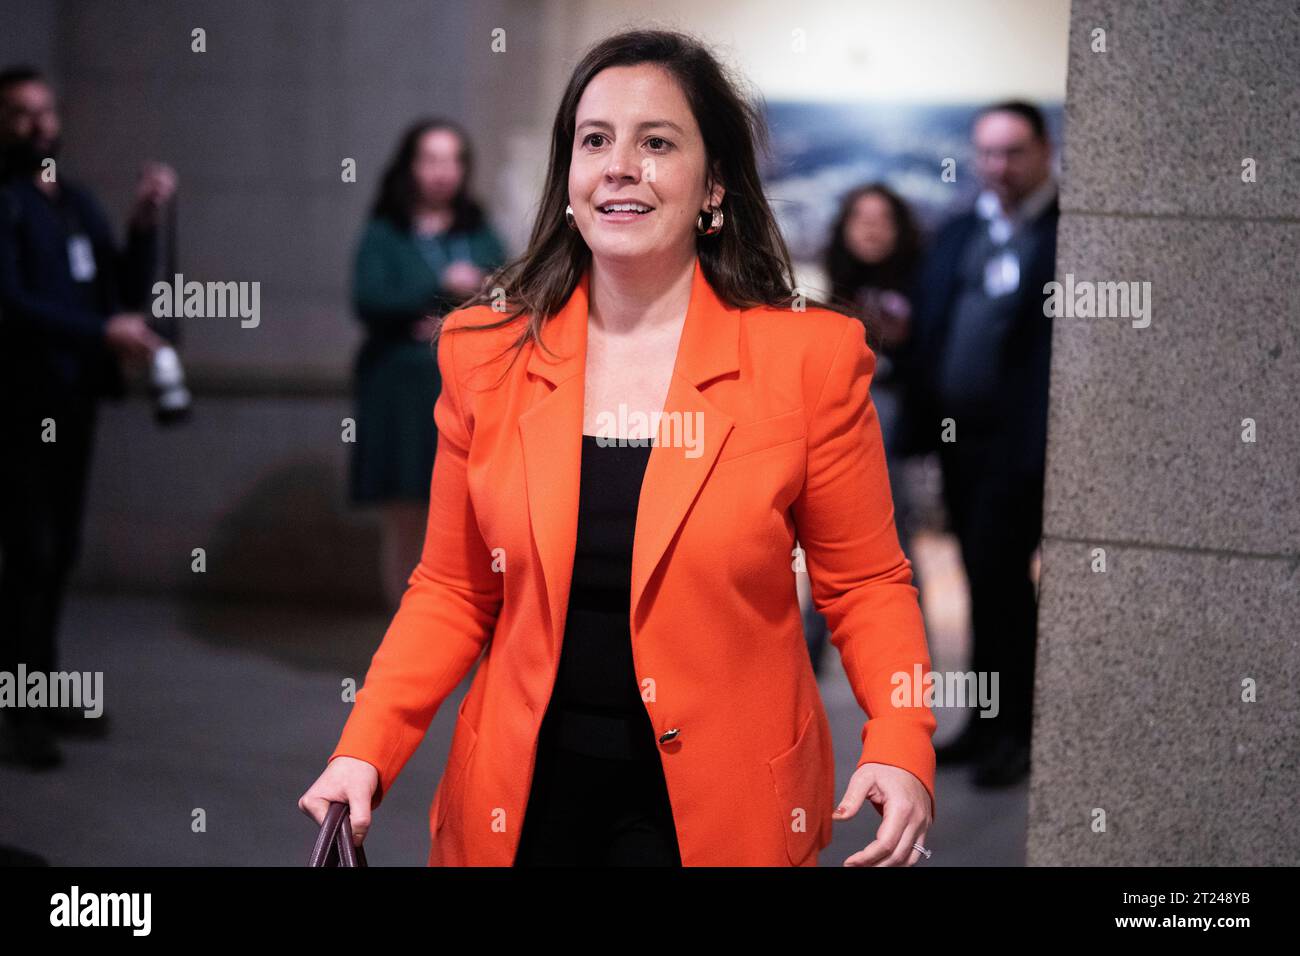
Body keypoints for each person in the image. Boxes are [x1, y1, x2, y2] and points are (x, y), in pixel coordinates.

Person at [300, 29, 937, 867]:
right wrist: (366, 745)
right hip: (523, 800)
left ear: (714, 184)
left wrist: (901, 740)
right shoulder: (485, 353)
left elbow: (866, 584)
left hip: (725, 806)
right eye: (595, 140)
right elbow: (453, 587)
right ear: (568, 176)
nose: (619, 165)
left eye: (657, 142)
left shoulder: (808, 359)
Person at [0, 65, 174, 767]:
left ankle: (39, 693)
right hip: (17, 405)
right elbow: (12, 303)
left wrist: (142, 225)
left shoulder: (73, 202)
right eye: (20, 115)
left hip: (73, 405)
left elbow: (117, 291)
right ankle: (21, 710)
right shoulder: (6, 202)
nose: (39, 127)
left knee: (60, 552)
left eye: (46, 113)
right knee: (29, 555)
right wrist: (101, 334)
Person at [901, 100, 1059, 788]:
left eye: (1013, 151)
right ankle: (985, 722)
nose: (999, 166)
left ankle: (1019, 732)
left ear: (1045, 151)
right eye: (987, 153)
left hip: (1021, 449)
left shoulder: (1065, 235)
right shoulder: (962, 230)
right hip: (959, 444)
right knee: (975, 585)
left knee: (1005, 592)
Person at [348, 119, 507, 610]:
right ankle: (404, 627)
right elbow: (370, 299)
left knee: (466, 514)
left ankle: (459, 627)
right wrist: (442, 287)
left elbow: (508, 293)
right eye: (432, 159)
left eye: (453, 159)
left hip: (465, 391)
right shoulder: (386, 233)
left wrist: (447, 316)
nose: (444, 171)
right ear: (411, 166)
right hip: (398, 394)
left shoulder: (477, 230)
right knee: (406, 516)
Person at [800, 184, 925, 675]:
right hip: (825, 420)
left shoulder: (923, 285)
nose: (871, 229)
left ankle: (903, 663)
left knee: (895, 545)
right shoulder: (818, 284)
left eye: (882, 219)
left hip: (896, 425)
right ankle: (808, 654)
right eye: (861, 218)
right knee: (818, 541)